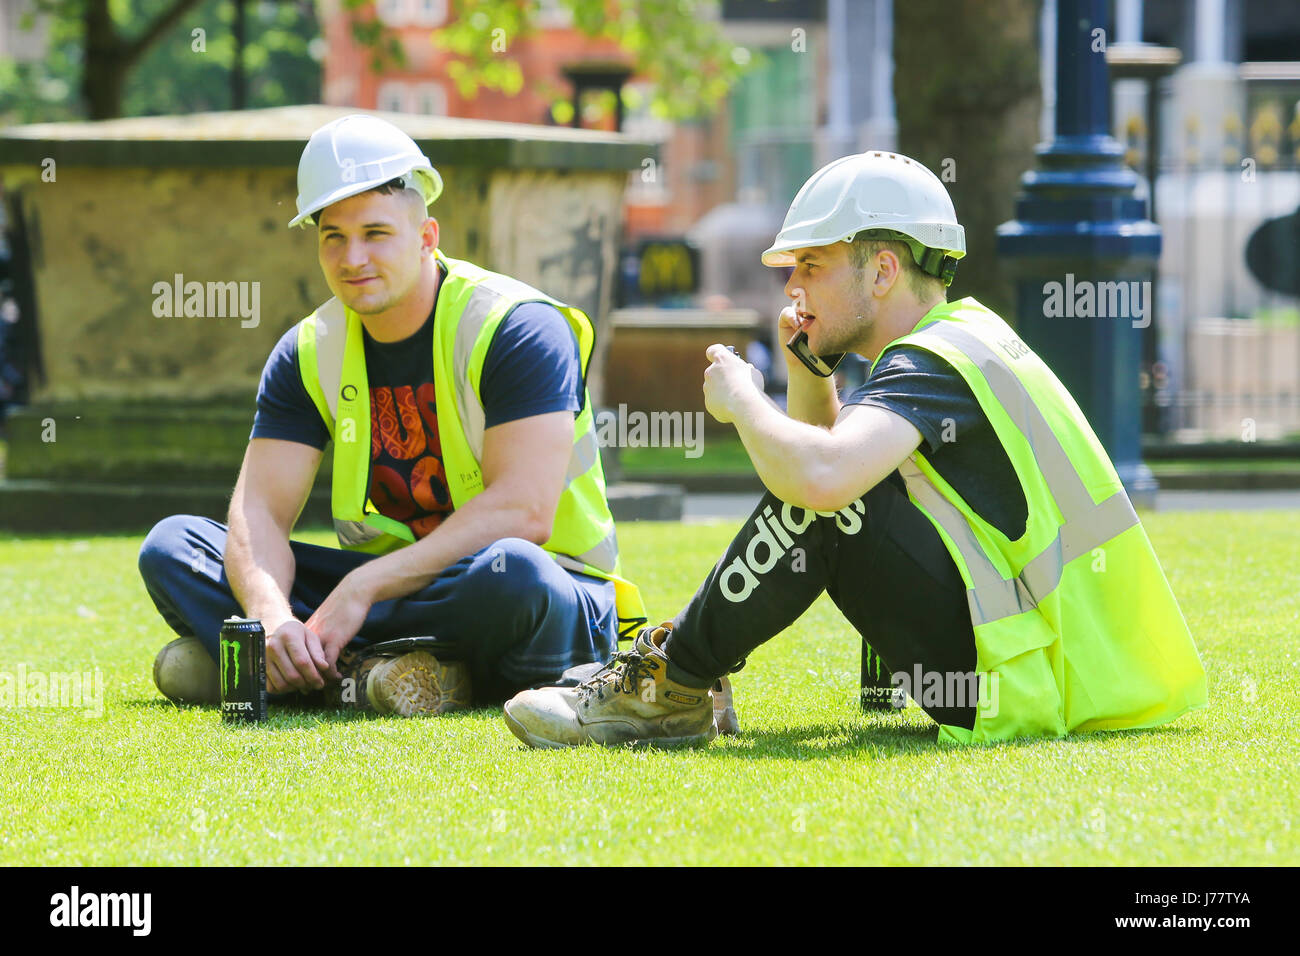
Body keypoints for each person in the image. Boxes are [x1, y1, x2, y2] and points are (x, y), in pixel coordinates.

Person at [502, 150, 1207, 748]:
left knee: (836, 501)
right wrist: (811, 373)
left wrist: (744, 400)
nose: (793, 285)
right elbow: (829, 458)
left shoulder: (936, 359)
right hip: (1049, 666)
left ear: (883, 271)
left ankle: (671, 685)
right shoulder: (959, 341)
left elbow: (824, 481)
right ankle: (680, 675)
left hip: (1036, 682)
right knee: (838, 492)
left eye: (812, 263)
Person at [139, 114, 645, 715]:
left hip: (537, 586)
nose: (353, 258)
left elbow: (523, 511)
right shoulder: (307, 350)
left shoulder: (516, 327)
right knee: (173, 548)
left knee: (516, 574)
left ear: (427, 235)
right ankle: (359, 669)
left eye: (376, 232)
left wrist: (363, 587)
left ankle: (305, 673)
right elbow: (259, 513)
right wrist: (272, 616)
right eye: (333, 237)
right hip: (387, 593)